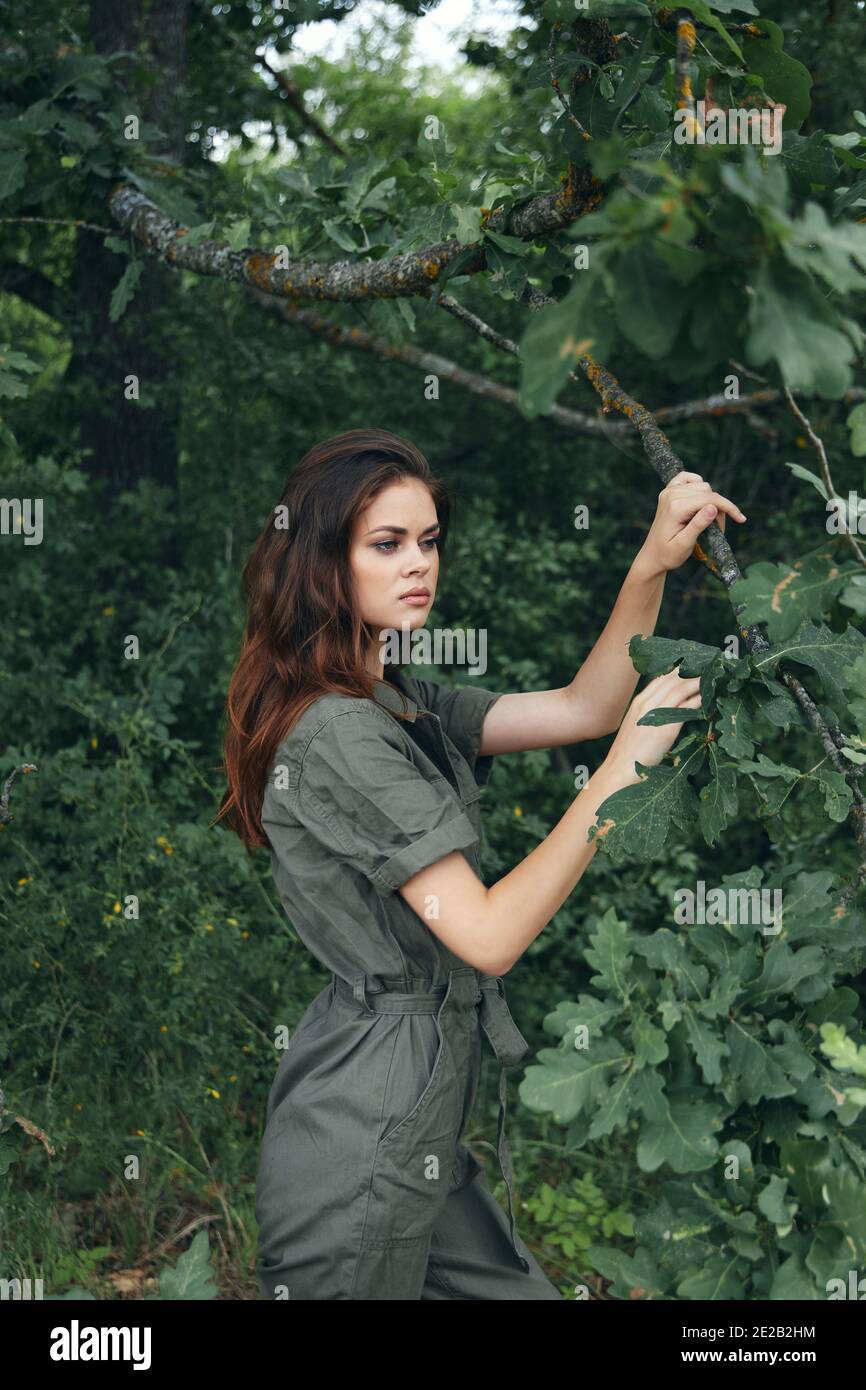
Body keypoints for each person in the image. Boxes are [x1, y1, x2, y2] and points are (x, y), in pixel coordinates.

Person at [218, 428, 745, 1301]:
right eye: (386, 544)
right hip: (363, 1137)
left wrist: (651, 563)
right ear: (321, 561)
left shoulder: (394, 700)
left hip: (417, 1119)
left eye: (428, 541)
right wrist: (623, 773)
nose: (419, 563)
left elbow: (587, 705)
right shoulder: (341, 733)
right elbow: (490, 935)